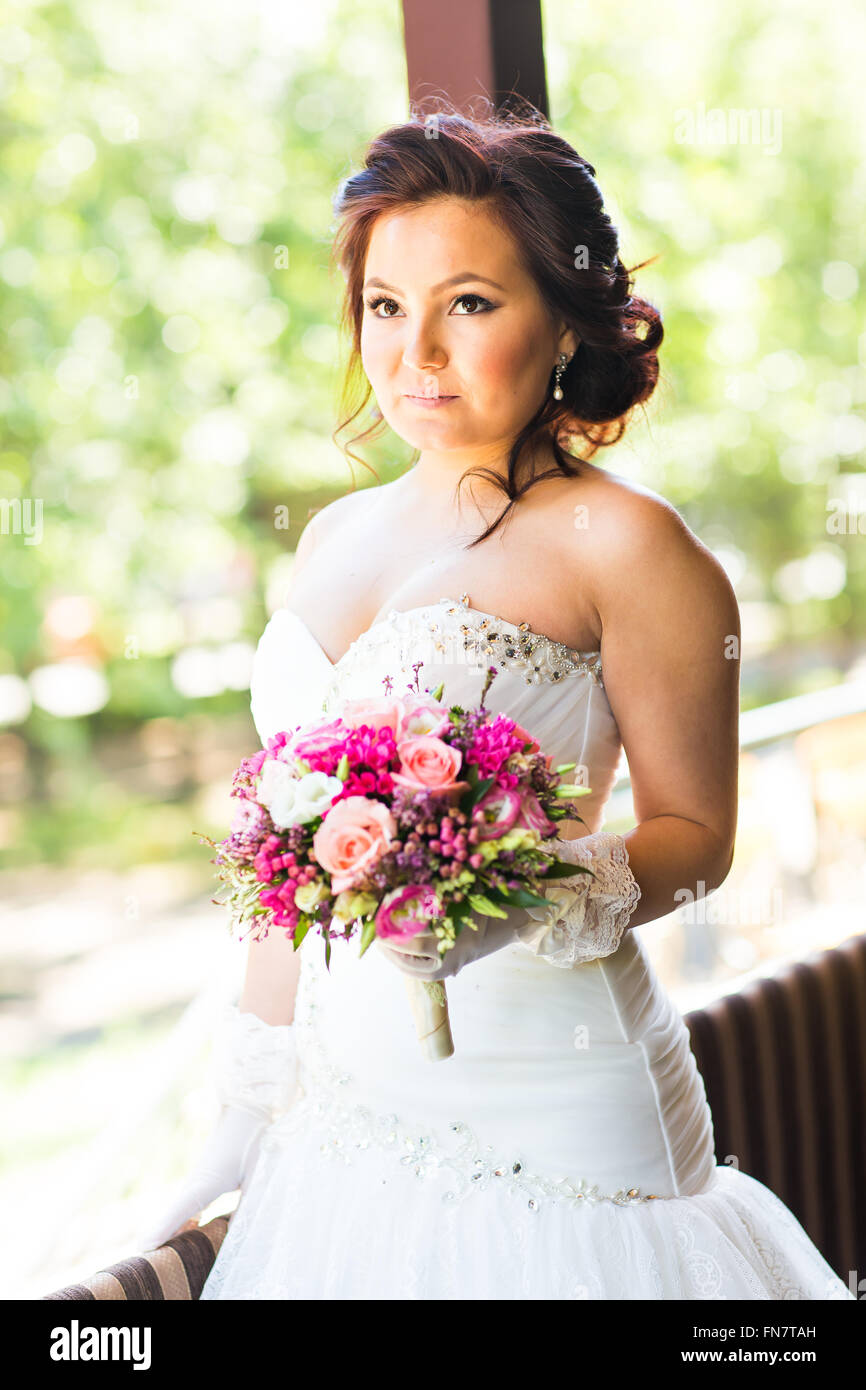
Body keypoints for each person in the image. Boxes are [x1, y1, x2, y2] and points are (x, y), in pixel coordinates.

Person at [138, 105, 853, 1299]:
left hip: (569, 1122)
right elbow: (291, 856)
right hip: (348, 1116)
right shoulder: (328, 537)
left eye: (468, 303)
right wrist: (252, 1093)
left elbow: (699, 837)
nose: (415, 351)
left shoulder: (632, 548)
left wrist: (522, 896)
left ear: (566, 321)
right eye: (383, 304)